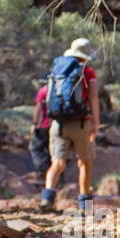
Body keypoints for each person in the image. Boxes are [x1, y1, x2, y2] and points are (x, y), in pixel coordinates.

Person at [39, 38, 99, 214]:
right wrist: (96, 122)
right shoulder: (87, 72)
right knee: (85, 163)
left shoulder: (58, 70)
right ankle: (85, 206)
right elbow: (94, 98)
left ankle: (46, 199)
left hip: (57, 122)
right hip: (81, 123)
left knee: (57, 162)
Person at [28, 82, 51, 176]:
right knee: (51, 151)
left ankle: (43, 172)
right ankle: (56, 177)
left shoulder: (43, 91)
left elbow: (38, 108)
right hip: (57, 125)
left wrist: (34, 123)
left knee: (35, 147)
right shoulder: (59, 90)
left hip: (44, 125)